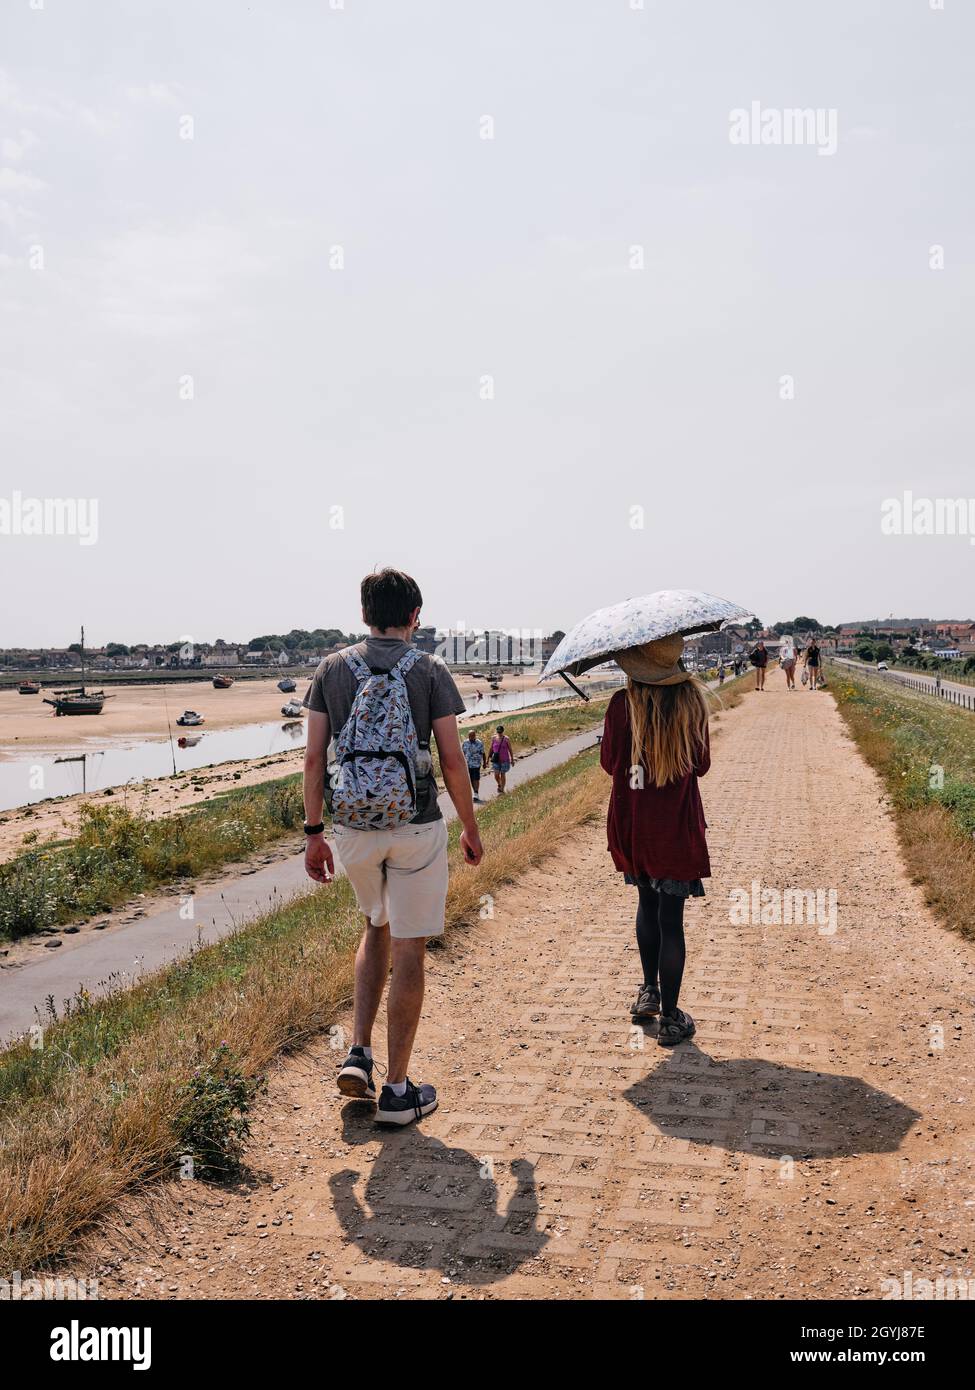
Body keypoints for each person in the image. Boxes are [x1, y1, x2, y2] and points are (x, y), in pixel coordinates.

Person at [303, 568, 484, 1126]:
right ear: (415, 617)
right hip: (417, 825)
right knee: (410, 947)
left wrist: (314, 834)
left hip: (353, 828)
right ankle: (400, 1092)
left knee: (374, 925)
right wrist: (471, 827)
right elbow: (452, 760)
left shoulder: (332, 668)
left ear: (363, 614)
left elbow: (313, 760)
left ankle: (359, 1052)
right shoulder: (429, 670)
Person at [599, 633, 711, 1047]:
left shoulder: (620, 705)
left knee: (646, 905)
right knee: (672, 922)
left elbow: (610, 763)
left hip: (634, 825)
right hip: (676, 828)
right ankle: (671, 1017)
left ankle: (649, 990)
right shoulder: (691, 703)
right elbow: (701, 765)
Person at [462, 728, 487, 802]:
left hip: (476, 764)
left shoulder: (479, 743)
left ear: (475, 735)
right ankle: (475, 792)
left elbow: (483, 753)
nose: (471, 737)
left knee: (476, 778)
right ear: (468, 736)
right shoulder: (465, 743)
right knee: (471, 779)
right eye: (470, 736)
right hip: (468, 764)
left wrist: (484, 763)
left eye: (473, 736)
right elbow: (462, 753)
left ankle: (476, 792)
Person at [490, 724, 514, 794]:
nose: (499, 733)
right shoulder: (493, 738)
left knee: (503, 774)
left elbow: (510, 749)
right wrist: (488, 758)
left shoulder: (506, 739)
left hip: (504, 760)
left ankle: (502, 789)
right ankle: (500, 783)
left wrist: (512, 759)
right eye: (498, 732)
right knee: (496, 775)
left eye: (500, 732)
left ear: (503, 731)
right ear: (497, 731)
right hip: (496, 760)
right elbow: (491, 748)